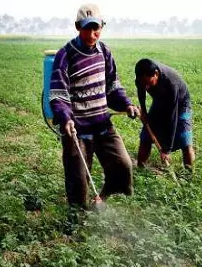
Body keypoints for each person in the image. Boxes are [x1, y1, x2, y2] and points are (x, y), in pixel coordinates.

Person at [49, 3, 139, 209]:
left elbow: (113, 85)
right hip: (77, 129)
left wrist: (126, 105)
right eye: (86, 28)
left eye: (95, 28)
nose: (91, 34)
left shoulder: (104, 51)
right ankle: (77, 216)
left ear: (102, 27)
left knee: (122, 165)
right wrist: (65, 118)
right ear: (77, 27)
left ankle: (104, 197)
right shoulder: (65, 55)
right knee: (78, 178)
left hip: (102, 125)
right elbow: (58, 94)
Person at [134, 58, 195, 170]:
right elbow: (141, 91)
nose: (146, 87)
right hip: (159, 100)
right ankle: (140, 168)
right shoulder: (141, 78)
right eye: (143, 84)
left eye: (149, 83)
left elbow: (171, 119)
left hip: (181, 103)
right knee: (146, 135)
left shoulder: (172, 84)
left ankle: (189, 176)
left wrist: (166, 150)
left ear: (156, 74)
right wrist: (144, 112)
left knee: (185, 139)